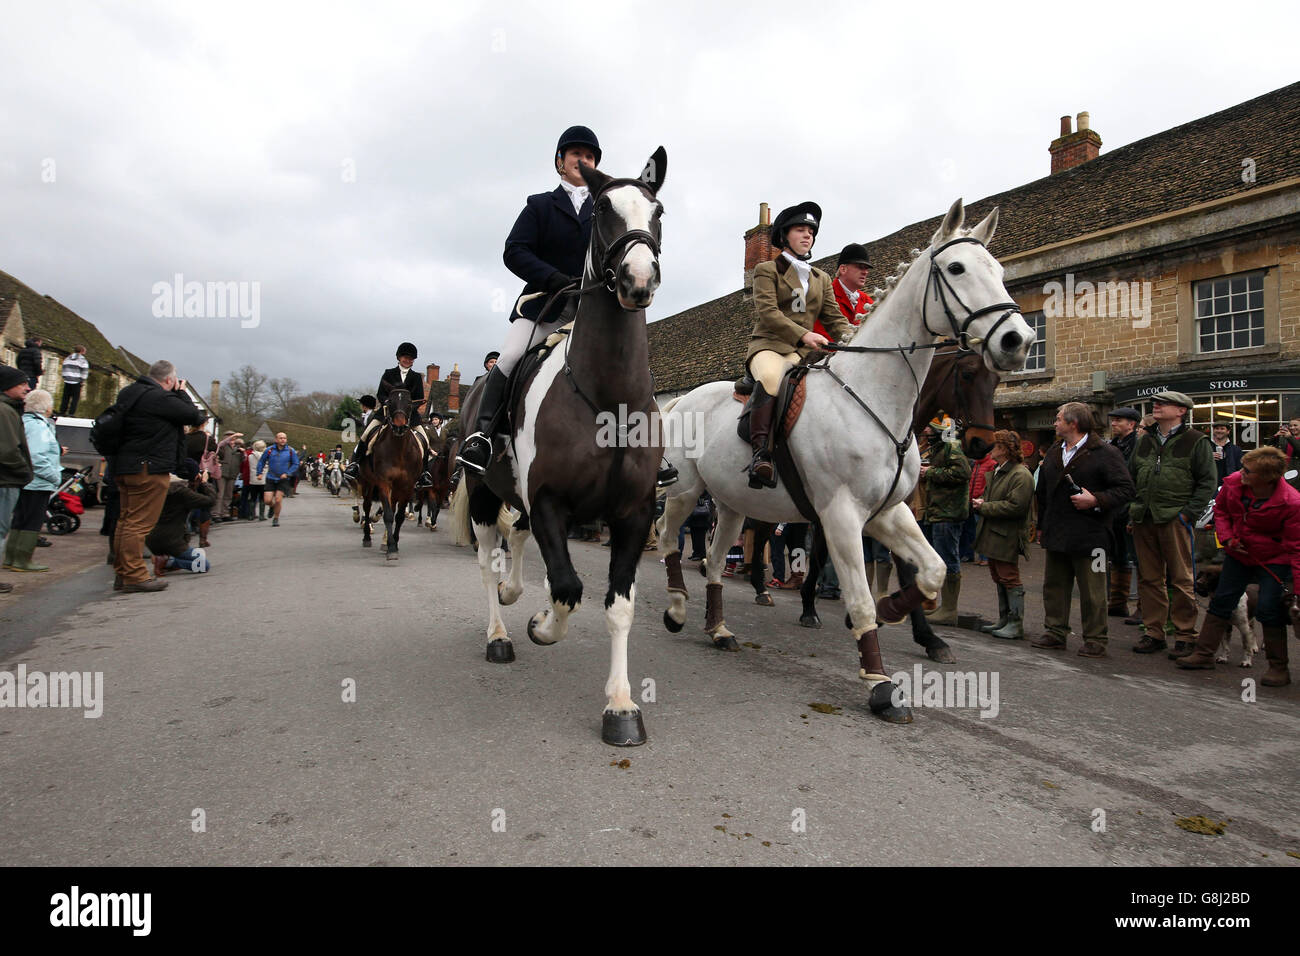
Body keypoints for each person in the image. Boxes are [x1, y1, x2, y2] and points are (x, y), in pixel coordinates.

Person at [457, 127, 677, 487]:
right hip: (546, 307)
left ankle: (650, 448)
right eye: (575, 154)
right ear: (560, 162)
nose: (582, 161)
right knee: (511, 356)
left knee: (633, 368)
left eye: (589, 157)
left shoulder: (609, 206)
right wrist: (554, 278)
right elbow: (515, 251)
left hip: (594, 314)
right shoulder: (540, 205)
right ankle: (482, 437)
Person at [744, 201, 853, 488]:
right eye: (800, 230)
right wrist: (804, 335)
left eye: (811, 232)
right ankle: (761, 455)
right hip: (769, 346)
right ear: (784, 236)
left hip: (805, 354)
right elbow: (768, 313)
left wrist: (855, 338)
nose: (808, 236)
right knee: (771, 378)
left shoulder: (821, 278)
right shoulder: (767, 269)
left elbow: (834, 320)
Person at [1176, 446, 1298, 684]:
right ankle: (1203, 654)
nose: (1240, 472)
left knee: (1268, 608)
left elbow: (1296, 547)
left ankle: (1278, 668)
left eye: (1247, 470)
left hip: (1273, 560)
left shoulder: (1292, 503)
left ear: (1266, 478)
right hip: (1238, 554)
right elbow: (1220, 511)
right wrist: (1228, 538)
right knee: (1222, 600)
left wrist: (1299, 592)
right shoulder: (1233, 483)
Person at [1032, 402, 1135, 657]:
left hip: (1093, 535)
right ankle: (1055, 631)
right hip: (1058, 532)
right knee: (1054, 586)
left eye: (1058, 419)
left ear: (1073, 423)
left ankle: (1096, 639)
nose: (1054, 423)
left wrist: (1096, 500)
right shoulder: (1056, 451)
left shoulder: (1104, 452)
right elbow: (1042, 493)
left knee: (1094, 590)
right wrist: (1042, 526)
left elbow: (1126, 489)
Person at [1127, 390, 1217, 658]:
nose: (1157, 406)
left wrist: (1187, 514)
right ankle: (1154, 632)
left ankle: (1186, 634)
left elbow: (1207, 483)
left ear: (1181, 410)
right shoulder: (1144, 441)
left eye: (1164, 403)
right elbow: (1131, 476)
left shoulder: (1196, 441)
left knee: (1181, 579)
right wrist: (1133, 510)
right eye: (1156, 402)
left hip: (1174, 518)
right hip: (1145, 517)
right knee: (1149, 579)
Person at [110, 360, 207, 592]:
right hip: (148, 468)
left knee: (125, 521)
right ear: (169, 380)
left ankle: (123, 572)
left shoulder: (129, 392)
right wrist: (182, 393)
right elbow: (194, 416)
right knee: (139, 524)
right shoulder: (159, 398)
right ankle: (135, 575)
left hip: (125, 465)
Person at [344, 343, 436, 487]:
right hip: (387, 412)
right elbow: (380, 393)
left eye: (411, 358)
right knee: (366, 434)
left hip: (409, 415)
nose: (408, 360)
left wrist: (409, 407)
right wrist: (387, 402)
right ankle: (355, 464)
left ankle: (424, 473)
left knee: (424, 439)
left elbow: (418, 397)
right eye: (405, 357)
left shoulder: (416, 377)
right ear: (399, 357)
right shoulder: (388, 373)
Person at [972, 430, 1035, 639]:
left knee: (1009, 577)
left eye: (994, 445)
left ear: (1004, 449)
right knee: (998, 576)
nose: (991, 449)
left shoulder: (1020, 474)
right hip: (994, 532)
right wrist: (982, 501)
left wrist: (984, 506)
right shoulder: (1001, 470)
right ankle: (1005, 619)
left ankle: (1015, 624)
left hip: (1006, 534)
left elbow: (1016, 506)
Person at [920, 419, 971, 625]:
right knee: (942, 558)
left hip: (948, 513)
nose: (926, 430)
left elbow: (963, 472)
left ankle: (949, 609)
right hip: (939, 511)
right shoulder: (940, 447)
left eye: (930, 427)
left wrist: (930, 472)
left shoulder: (952, 445)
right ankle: (944, 606)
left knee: (949, 559)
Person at [146, 458, 217, 577]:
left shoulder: (158, 486)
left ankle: (164, 558)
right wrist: (204, 482)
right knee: (203, 564)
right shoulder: (181, 492)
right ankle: (167, 561)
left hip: (150, 538)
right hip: (171, 541)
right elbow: (210, 501)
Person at [0, 371, 37, 590]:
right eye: (22, 384)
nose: (27, 388)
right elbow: (7, 450)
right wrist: (23, 471)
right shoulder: (5, 411)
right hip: (5, 480)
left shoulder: (8, 410)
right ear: (7, 386)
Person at [1106, 406, 1141, 618]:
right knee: (1117, 555)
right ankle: (1118, 602)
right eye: (1113, 420)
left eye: (1118, 420)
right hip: (1114, 508)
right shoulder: (1113, 446)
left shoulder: (1139, 446)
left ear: (1131, 424)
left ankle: (1143, 607)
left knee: (1139, 558)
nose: (1113, 423)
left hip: (1131, 508)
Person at [257, 432, 298, 527]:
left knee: (278, 500)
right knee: (267, 500)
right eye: (281, 438)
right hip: (271, 477)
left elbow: (295, 464)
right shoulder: (269, 450)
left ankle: (276, 518)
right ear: (276, 439)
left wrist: (287, 473)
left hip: (283, 478)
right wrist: (259, 473)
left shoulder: (291, 451)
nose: (283, 440)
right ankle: (272, 506)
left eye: (284, 438)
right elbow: (261, 461)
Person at [215, 432, 244, 520]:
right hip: (222, 472)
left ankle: (225, 513)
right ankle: (216, 513)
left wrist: (243, 453)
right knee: (220, 494)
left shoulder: (237, 448)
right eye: (231, 438)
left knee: (228, 494)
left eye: (234, 439)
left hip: (233, 473)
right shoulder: (222, 446)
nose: (232, 441)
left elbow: (243, 460)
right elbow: (220, 445)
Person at [58, 345, 90, 416]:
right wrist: (82, 380)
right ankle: (71, 413)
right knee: (75, 398)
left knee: (65, 397)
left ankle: (62, 411)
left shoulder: (67, 358)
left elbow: (64, 368)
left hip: (67, 380)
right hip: (77, 381)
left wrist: (65, 377)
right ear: (82, 351)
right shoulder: (83, 360)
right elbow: (84, 371)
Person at [246, 439, 268, 519]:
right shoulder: (264, 456)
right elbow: (266, 466)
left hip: (253, 479)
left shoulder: (250, 456)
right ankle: (261, 515)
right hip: (263, 479)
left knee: (253, 498)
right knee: (262, 498)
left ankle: (251, 515)